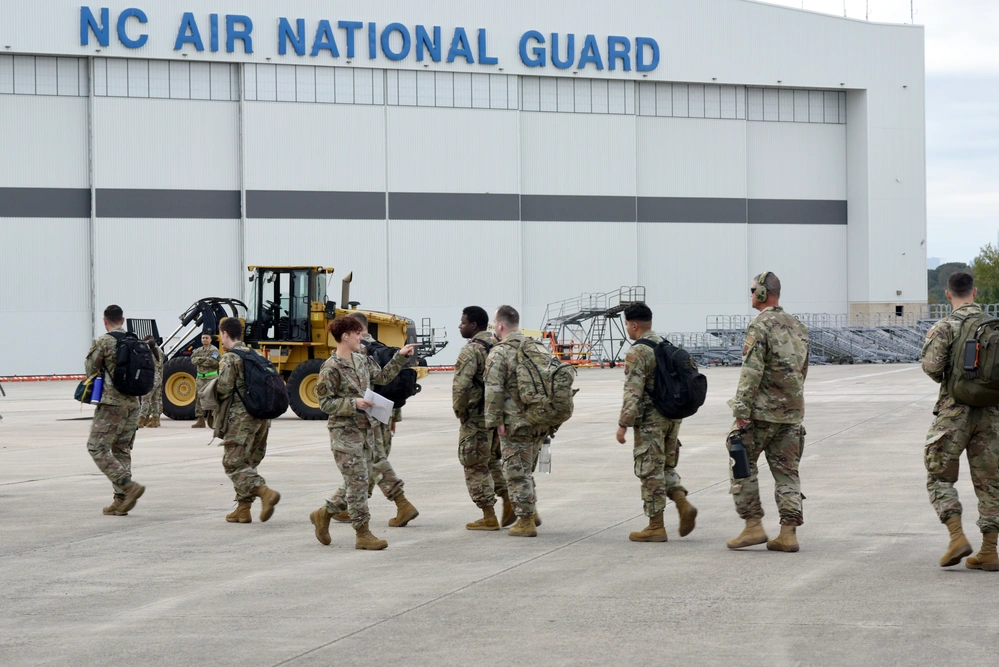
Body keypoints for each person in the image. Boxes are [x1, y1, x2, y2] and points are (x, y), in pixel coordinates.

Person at [310, 317, 417, 550]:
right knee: (358, 484)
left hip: (366, 431)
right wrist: (353, 403)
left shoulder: (361, 360)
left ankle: (323, 514)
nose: (362, 337)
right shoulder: (331, 367)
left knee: (359, 482)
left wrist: (400, 357)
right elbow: (324, 403)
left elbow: (382, 377)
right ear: (345, 336)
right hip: (344, 435)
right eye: (358, 334)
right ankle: (363, 533)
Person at [920, 271, 999, 571]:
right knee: (991, 483)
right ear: (975, 292)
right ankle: (989, 551)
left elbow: (931, 367)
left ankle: (956, 537)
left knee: (939, 475)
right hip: (991, 412)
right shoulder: (993, 325)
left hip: (955, 412)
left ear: (948, 294)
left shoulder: (945, 326)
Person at [726, 272, 809, 553]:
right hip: (791, 413)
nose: (750, 294)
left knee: (741, 464)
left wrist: (741, 409)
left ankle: (753, 526)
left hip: (762, 413)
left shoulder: (759, 325)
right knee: (787, 473)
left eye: (752, 290)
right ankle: (788, 533)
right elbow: (802, 371)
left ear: (762, 293)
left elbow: (752, 370)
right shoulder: (798, 325)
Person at [616, 302, 697, 542]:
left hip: (652, 420)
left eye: (627, 326)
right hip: (673, 417)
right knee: (666, 467)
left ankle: (656, 526)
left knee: (650, 471)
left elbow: (633, 391)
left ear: (634, 325)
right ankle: (682, 504)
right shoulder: (664, 344)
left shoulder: (638, 351)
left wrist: (623, 424)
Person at [484, 305, 549, 537]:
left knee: (515, 471)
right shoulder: (538, 347)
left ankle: (525, 522)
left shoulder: (500, 352)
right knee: (526, 468)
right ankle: (532, 512)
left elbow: (493, 390)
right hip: (541, 420)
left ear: (500, 326)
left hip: (516, 422)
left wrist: (495, 421)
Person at [214, 318, 280, 524]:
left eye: (220, 335)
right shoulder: (255, 354)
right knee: (248, 462)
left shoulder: (230, 358)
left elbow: (224, 388)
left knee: (232, 462)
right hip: (262, 417)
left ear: (225, 334)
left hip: (242, 419)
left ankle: (264, 491)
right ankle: (243, 509)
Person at [454, 306, 513, 530]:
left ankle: (488, 515)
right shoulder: (499, 346)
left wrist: (461, 412)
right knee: (492, 460)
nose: (460, 326)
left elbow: (461, 386)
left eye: (462, 323)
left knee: (473, 464)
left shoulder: (472, 350)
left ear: (473, 325)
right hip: (497, 416)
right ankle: (508, 498)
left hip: (476, 417)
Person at [85, 304, 146, 516]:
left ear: (105, 321)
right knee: (121, 449)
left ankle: (128, 485)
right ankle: (121, 501)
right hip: (134, 404)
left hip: (112, 403)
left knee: (97, 447)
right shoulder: (136, 341)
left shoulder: (104, 341)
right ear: (123, 319)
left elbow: (90, 368)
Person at [190, 333, 221, 428]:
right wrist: (204, 359)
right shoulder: (198, 350)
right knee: (198, 398)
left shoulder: (214, 350)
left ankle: (212, 418)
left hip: (211, 378)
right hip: (200, 378)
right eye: (203, 338)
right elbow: (193, 360)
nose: (204, 339)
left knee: (211, 398)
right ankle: (200, 420)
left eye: (206, 338)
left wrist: (200, 360)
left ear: (210, 340)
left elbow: (212, 362)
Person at [138, 335, 164, 428]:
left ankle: (141, 419)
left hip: (151, 378)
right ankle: (156, 420)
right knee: (155, 400)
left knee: (146, 399)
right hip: (158, 378)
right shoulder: (160, 351)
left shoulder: (148, 351)